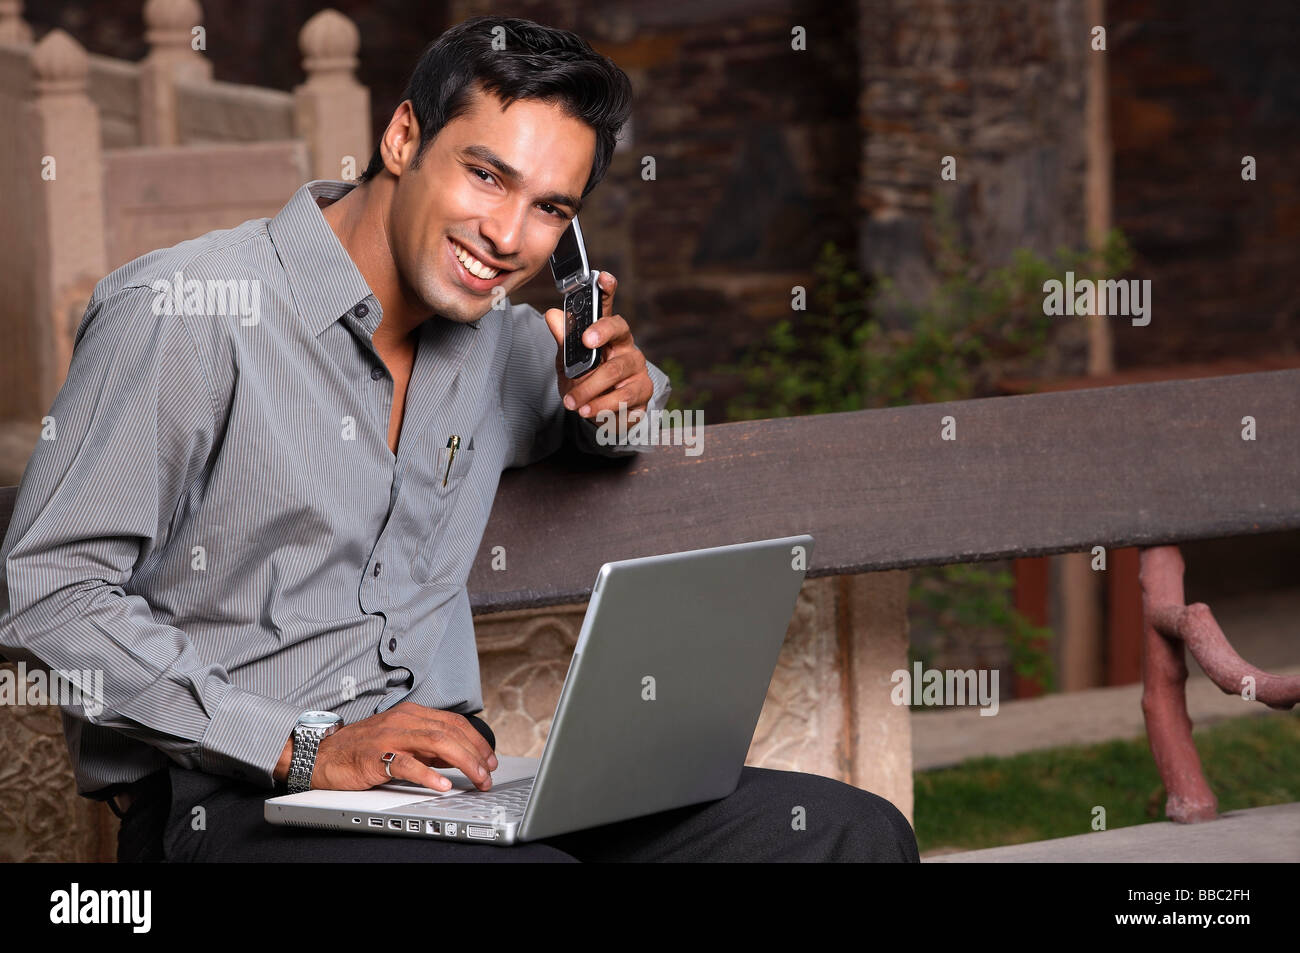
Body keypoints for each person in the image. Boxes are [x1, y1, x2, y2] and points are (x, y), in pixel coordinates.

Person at [0, 15, 918, 863]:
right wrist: (304, 744)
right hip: (233, 797)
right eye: (487, 175)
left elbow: (594, 413)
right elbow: (50, 592)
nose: (508, 235)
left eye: (551, 208)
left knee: (845, 835)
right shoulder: (188, 312)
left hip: (447, 786)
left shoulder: (500, 347)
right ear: (403, 138)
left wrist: (622, 399)